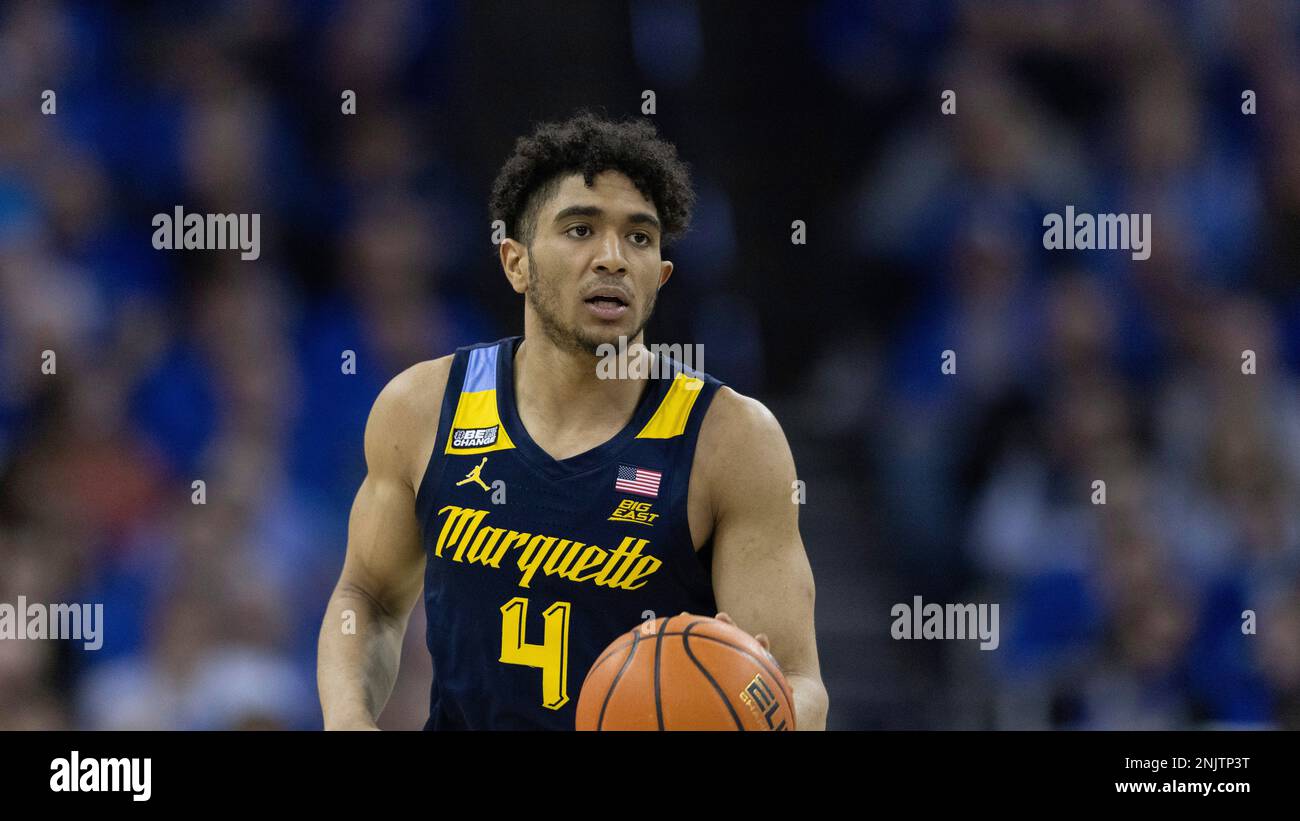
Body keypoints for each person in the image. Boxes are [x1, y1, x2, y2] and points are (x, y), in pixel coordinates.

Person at [317, 111, 827, 730]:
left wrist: (755, 704)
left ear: (660, 276)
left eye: (640, 238)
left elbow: (796, 681)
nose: (612, 257)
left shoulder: (733, 440)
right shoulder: (422, 408)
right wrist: (350, 720)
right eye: (580, 229)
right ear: (516, 263)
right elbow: (366, 599)